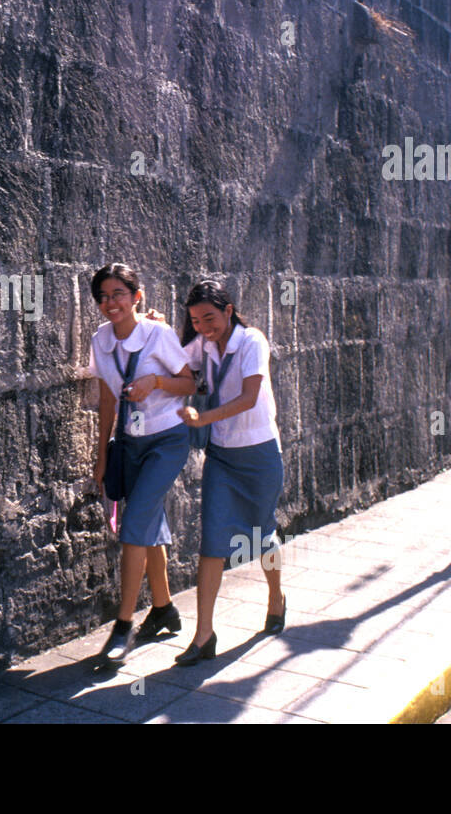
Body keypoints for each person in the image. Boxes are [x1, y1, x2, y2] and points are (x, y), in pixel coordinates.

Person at [171, 279, 286, 665]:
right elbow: (174, 360)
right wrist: (152, 324)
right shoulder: (204, 345)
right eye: (196, 321)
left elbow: (250, 397)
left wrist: (202, 416)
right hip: (221, 457)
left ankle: (276, 597)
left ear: (229, 310)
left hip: (259, 454)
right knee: (213, 541)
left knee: (262, 533)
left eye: (210, 318)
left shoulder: (252, 341)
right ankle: (204, 636)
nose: (204, 327)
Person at [88, 263, 198, 665]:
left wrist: (156, 383)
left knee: (135, 526)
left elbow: (191, 383)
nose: (109, 302)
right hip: (130, 442)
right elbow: (106, 400)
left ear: (136, 296)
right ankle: (165, 610)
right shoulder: (101, 341)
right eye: (102, 296)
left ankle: (123, 626)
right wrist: (101, 456)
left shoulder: (158, 333)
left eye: (118, 293)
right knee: (150, 524)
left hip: (167, 440)